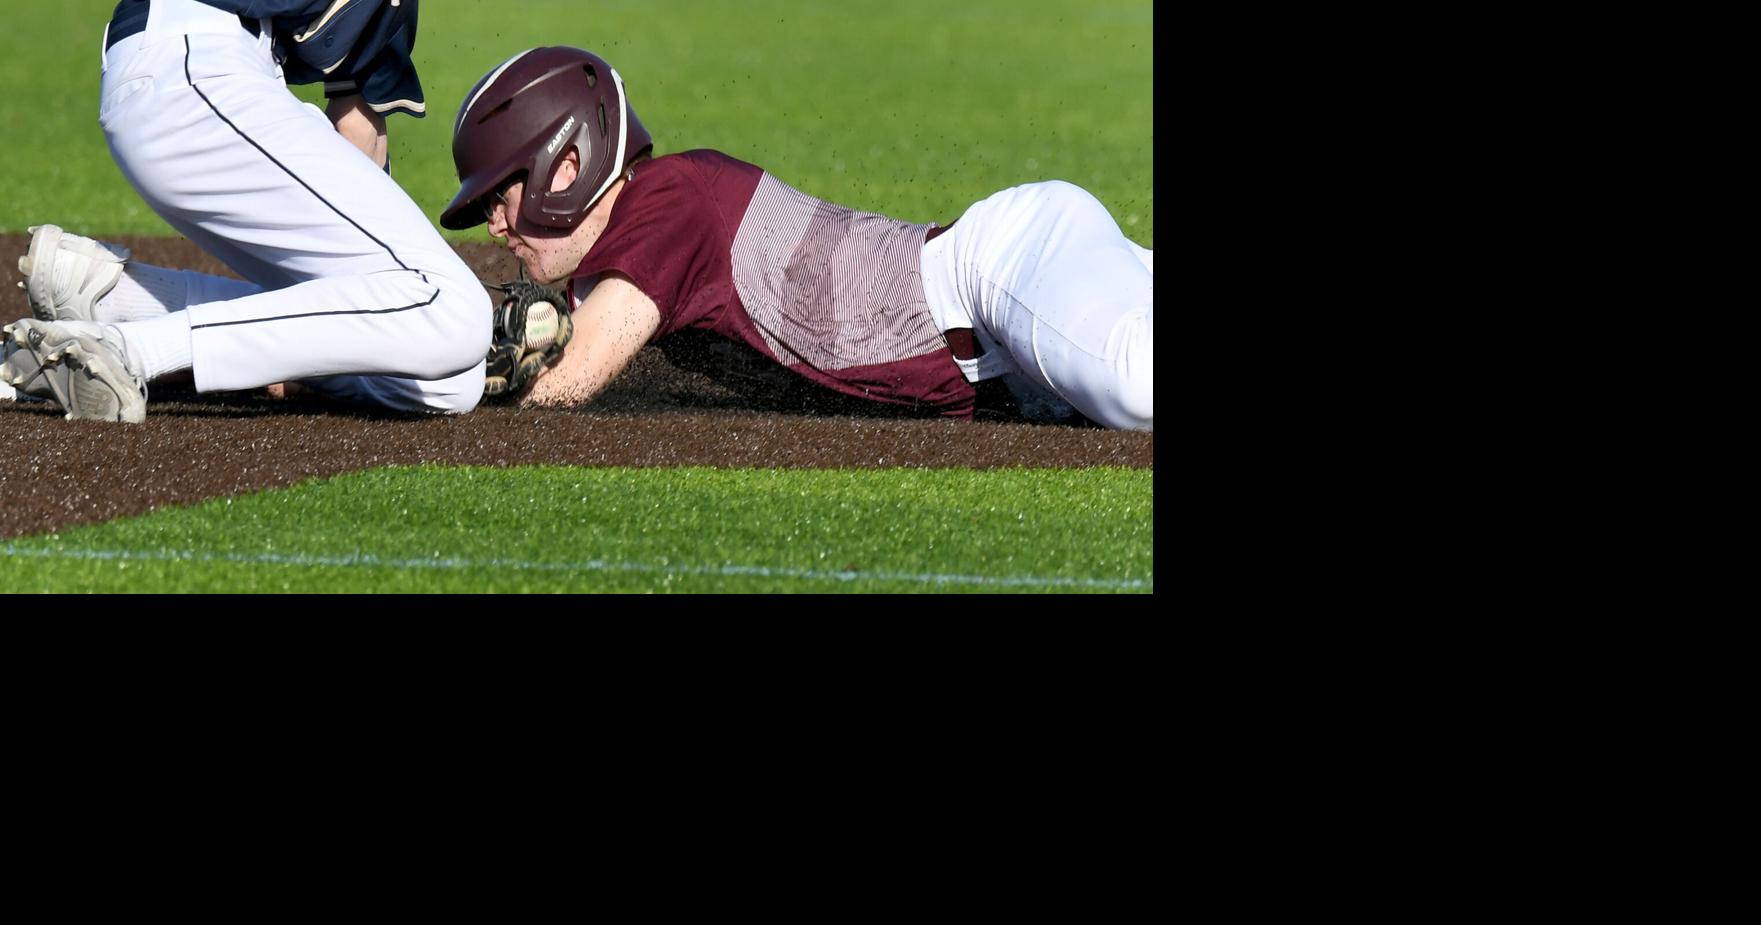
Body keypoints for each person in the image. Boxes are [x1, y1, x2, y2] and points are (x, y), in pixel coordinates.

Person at [440, 46, 1153, 431]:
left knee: (1136, 388)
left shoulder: (666, 200)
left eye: (500, 195)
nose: (495, 225)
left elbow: (565, 387)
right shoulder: (625, 248)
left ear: (565, 166)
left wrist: (444, 377)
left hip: (999, 269)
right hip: (1013, 335)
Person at [2, 0, 488, 422]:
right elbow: (358, 127)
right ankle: (126, 351)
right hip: (196, 68)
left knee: (446, 380)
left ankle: (117, 301)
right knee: (452, 309)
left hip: (192, 71)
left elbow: (356, 120)